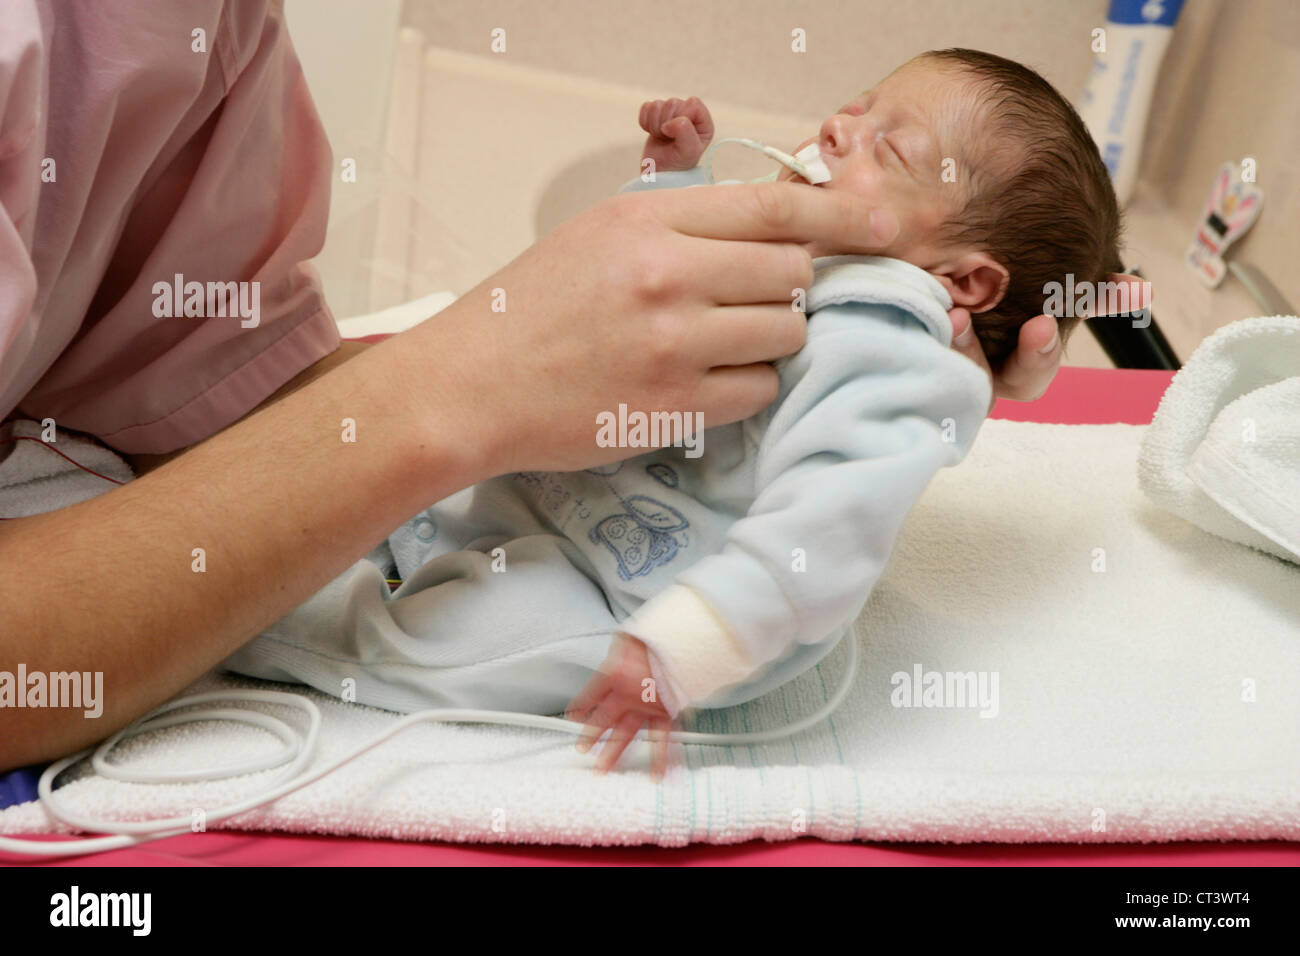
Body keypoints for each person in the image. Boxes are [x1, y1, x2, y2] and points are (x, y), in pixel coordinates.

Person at [0, 1, 1119, 776]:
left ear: (960, 281)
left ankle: (286, 638)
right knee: (446, 509)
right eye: (856, 104)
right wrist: (669, 181)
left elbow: (827, 526)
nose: (837, 127)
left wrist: (685, 646)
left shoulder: (889, 338)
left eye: (889, 145)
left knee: (464, 630)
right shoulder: (820, 279)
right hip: (570, 504)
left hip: (631, 596)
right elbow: (661, 324)